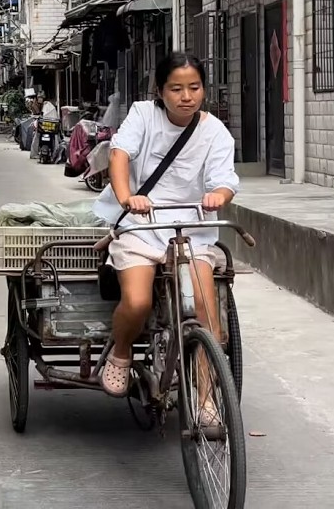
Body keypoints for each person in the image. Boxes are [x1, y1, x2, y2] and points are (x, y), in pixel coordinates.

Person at [90, 53, 240, 426]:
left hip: (191, 229)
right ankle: (121, 353)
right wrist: (128, 197)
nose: (186, 96)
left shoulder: (214, 131)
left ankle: (206, 400)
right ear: (160, 91)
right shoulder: (143, 115)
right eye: (176, 88)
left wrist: (219, 195)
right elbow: (120, 154)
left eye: (194, 87)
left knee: (207, 317)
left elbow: (225, 179)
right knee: (138, 302)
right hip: (141, 226)